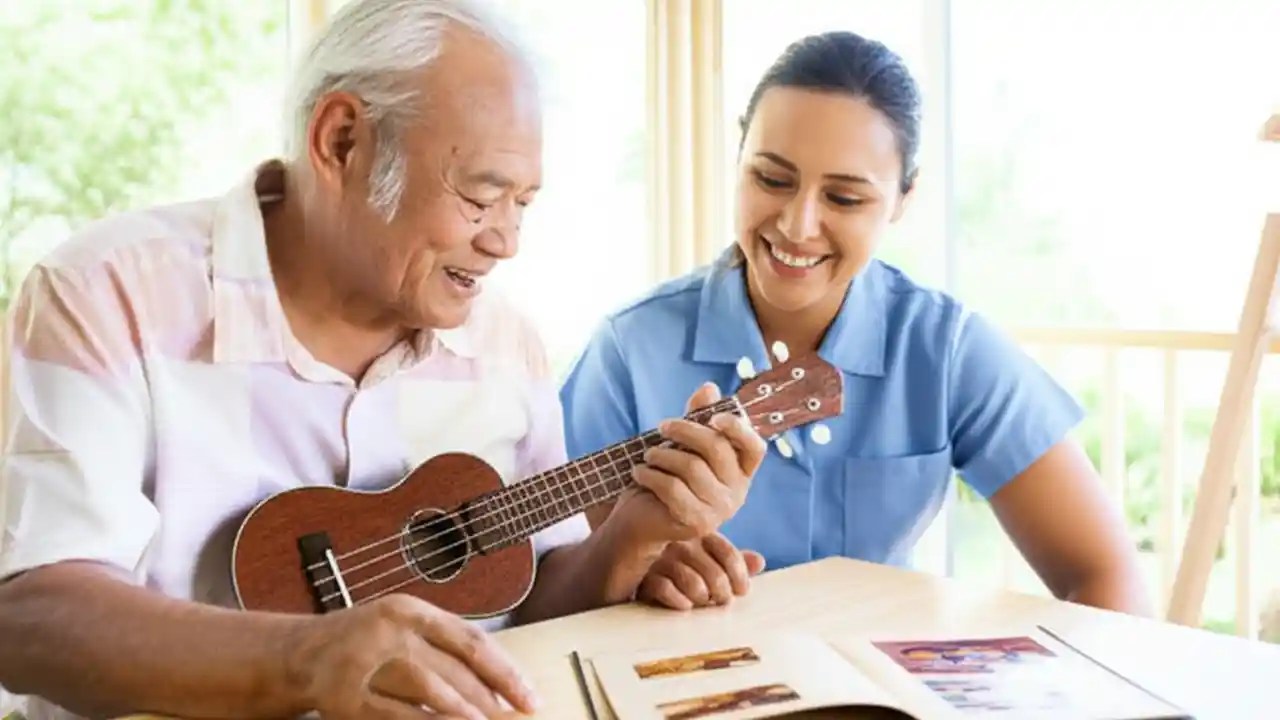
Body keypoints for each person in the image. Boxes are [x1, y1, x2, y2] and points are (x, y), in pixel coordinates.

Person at [0, 2, 765, 719]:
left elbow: (526, 599)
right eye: (480, 197)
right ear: (341, 141)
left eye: (522, 204)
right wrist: (307, 659)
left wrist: (631, 539)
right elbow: (32, 614)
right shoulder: (105, 293)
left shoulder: (507, 345)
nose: (505, 241)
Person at [562, 31, 1151, 617]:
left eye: (844, 199)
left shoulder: (945, 350)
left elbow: (1105, 577)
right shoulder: (628, 350)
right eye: (771, 179)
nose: (797, 225)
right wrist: (633, 557)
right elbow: (545, 595)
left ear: (903, 198)